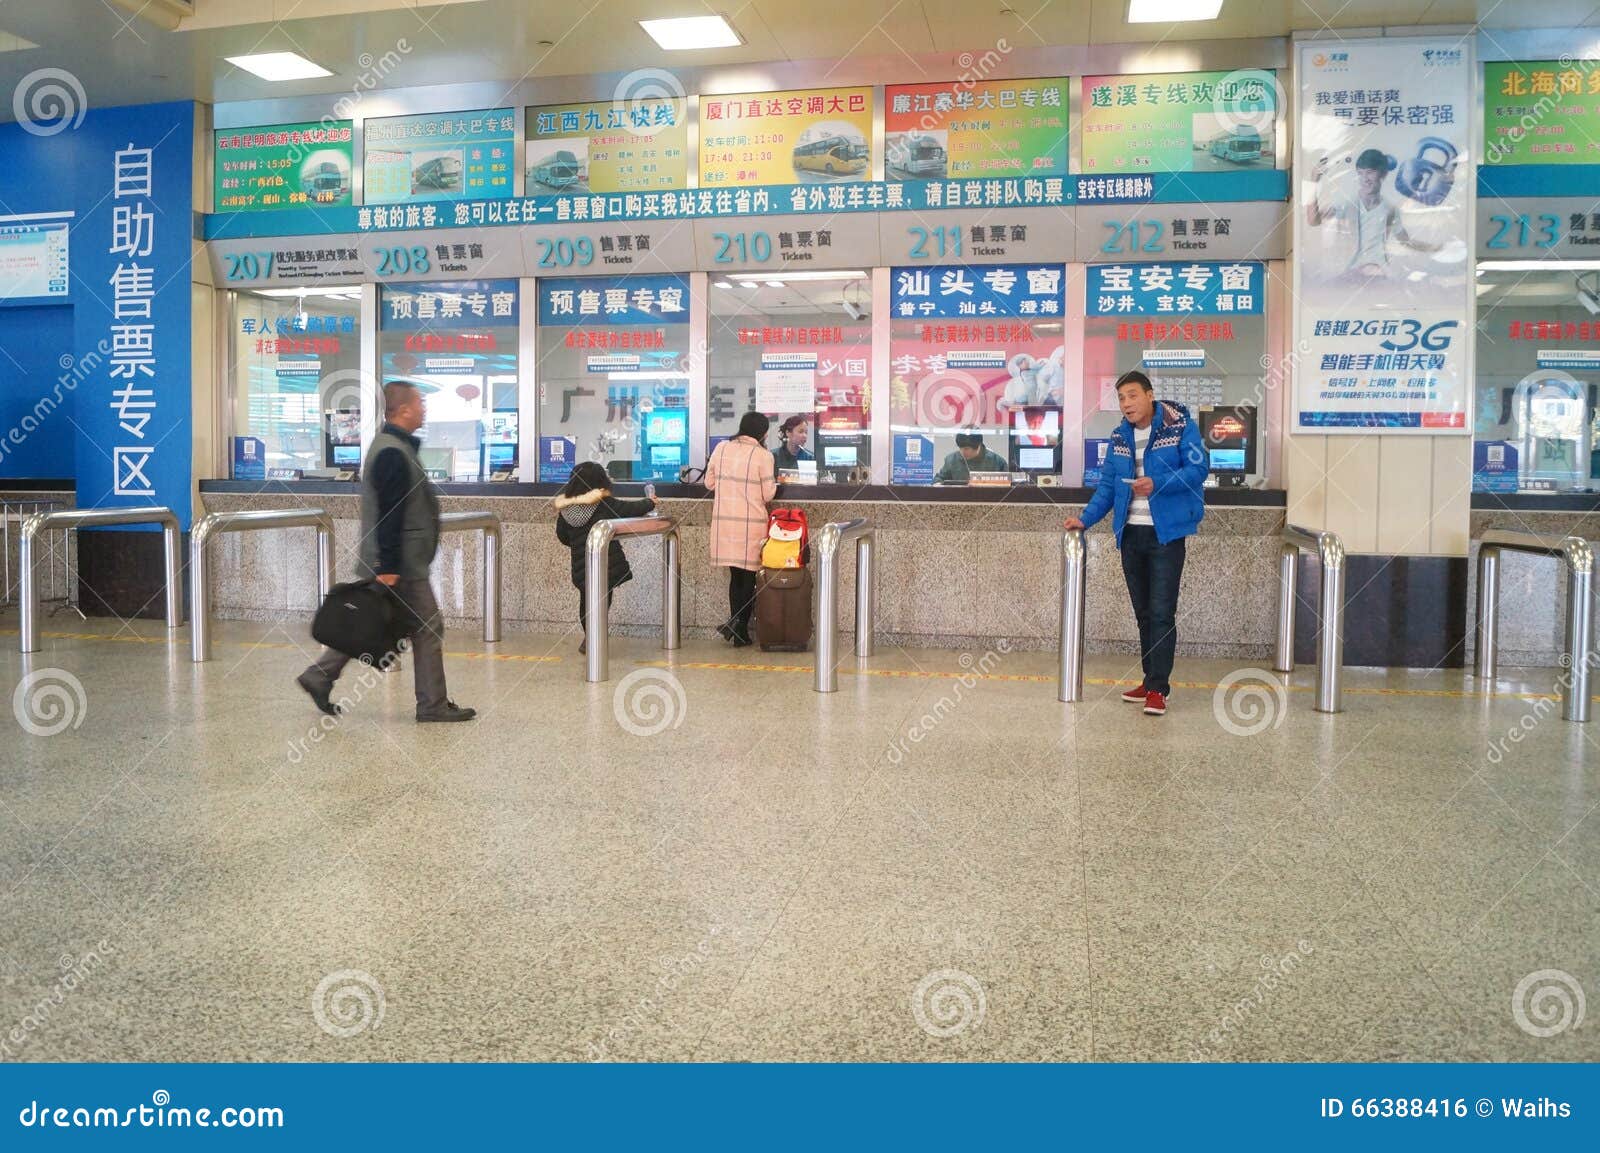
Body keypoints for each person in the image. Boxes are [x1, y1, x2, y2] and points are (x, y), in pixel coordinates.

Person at [297, 380, 475, 722]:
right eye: (420, 403)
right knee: (427, 626)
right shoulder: (392, 451)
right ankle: (432, 705)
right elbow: (390, 514)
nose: (424, 409)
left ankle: (319, 675)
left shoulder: (395, 447)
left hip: (400, 559)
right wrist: (389, 565)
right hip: (401, 561)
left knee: (371, 623)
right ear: (404, 409)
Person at [1063, 370, 1208, 717]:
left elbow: (1199, 469)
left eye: (1132, 396)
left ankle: (1159, 688)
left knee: (1161, 612)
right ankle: (1149, 678)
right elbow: (1108, 486)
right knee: (1143, 613)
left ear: (1149, 395)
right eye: (1121, 398)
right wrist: (1085, 519)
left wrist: (1156, 482)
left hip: (1166, 534)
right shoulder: (1119, 437)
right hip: (1131, 534)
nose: (1126, 404)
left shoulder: (1179, 425)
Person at [553, 461, 658, 654]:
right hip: (604, 565)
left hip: (581, 565)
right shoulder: (602, 504)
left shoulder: (566, 509)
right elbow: (630, 509)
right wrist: (650, 501)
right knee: (602, 599)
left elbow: (562, 535)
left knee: (586, 599)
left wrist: (578, 544)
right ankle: (594, 637)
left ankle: (590, 636)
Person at [1305, 148, 1441, 277]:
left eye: (1370, 172)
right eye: (1360, 173)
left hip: (1380, 274)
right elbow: (1313, 220)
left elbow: (1405, 242)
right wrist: (1313, 181)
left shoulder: (1390, 210)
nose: (1365, 178)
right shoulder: (1347, 204)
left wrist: (1435, 248)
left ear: (1383, 174)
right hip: (1350, 274)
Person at [705, 411, 777, 646]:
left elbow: (709, 483)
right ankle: (739, 627)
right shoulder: (763, 456)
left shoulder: (722, 448)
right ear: (764, 432)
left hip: (725, 522)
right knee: (749, 577)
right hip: (750, 523)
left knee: (735, 576)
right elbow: (768, 494)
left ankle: (737, 626)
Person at [934, 431, 1008, 483]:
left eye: (966, 449)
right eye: (960, 448)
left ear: (978, 446)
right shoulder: (951, 460)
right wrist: (937, 483)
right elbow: (939, 479)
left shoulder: (996, 461)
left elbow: (1008, 484)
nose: (962, 452)